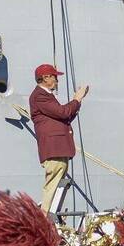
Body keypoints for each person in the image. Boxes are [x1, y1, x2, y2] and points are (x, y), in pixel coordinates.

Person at [29, 64, 88, 214]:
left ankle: (47, 214)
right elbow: (63, 113)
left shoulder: (46, 96)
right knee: (52, 185)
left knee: (56, 183)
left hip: (59, 148)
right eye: (54, 77)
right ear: (45, 78)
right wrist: (76, 99)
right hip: (53, 148)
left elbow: (65, 116)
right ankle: (44, 217)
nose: (57, 80)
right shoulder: (39, 96)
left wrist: (77, 103)